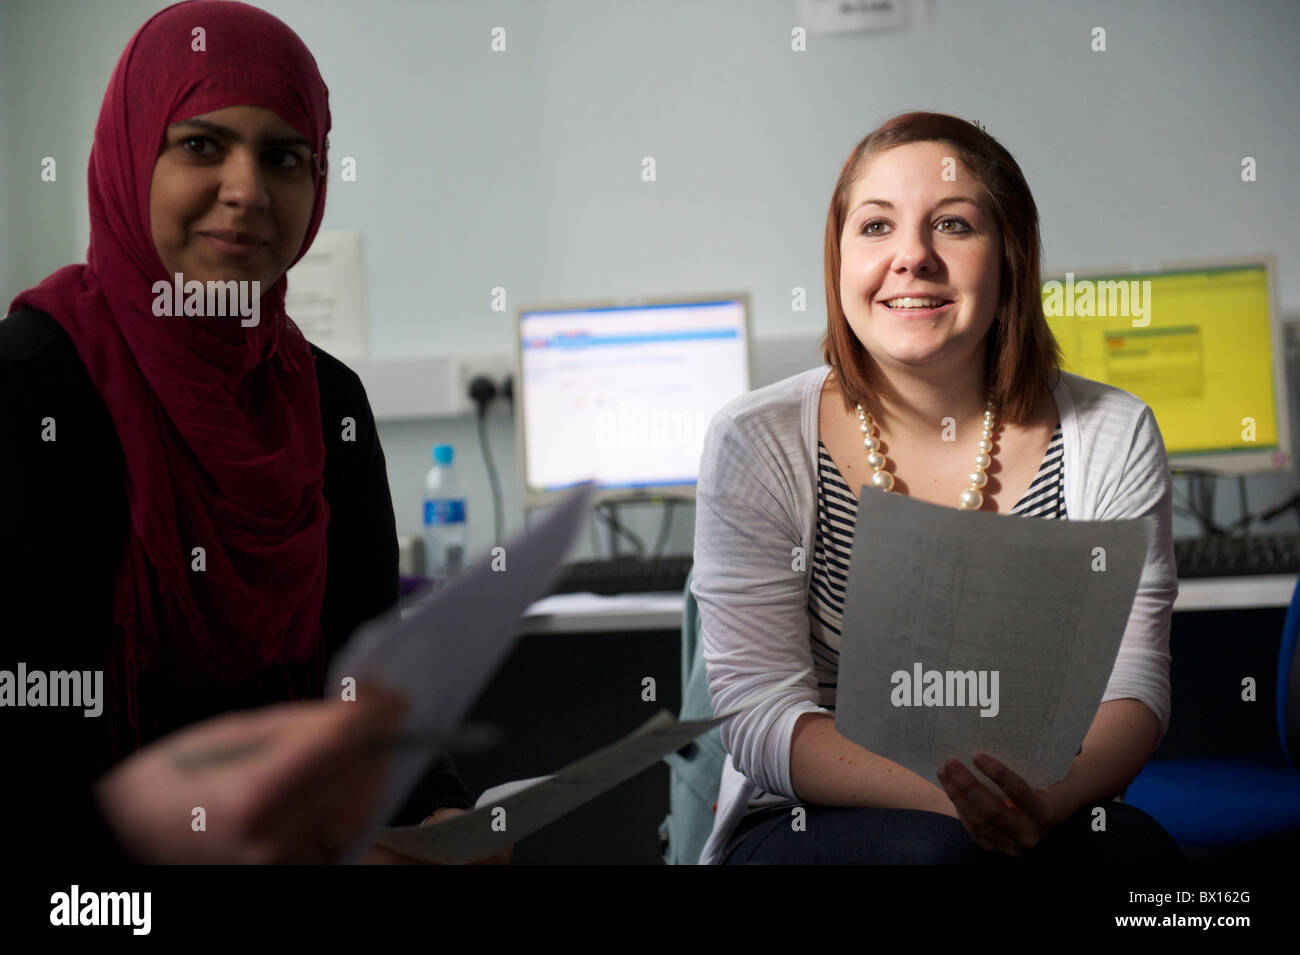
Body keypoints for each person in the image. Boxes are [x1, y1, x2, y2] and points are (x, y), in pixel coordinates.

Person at [0, 0, 472, 864]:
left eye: (285, 157)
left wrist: (438, 809)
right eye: (201, 146)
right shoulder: (34, 384)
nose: (248, 189)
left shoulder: (330, 402)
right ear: (131, 156)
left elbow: (368, 685)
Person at [692, 112, 1184, 865]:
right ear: (838, 259)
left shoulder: (1112, 433)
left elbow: (1135, 686)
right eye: (876, 226)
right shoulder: (754, 441)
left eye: (952, 225)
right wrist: (966, 805)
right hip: (809, 815)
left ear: (1010, 258)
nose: (911, 257)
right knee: (936, 856)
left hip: (1049, 801)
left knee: (1147, 866)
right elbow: (759, 714)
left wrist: (1044, 800)